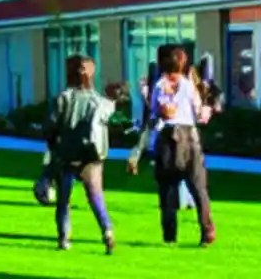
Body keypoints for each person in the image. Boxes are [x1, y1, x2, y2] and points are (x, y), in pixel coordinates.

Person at [127, 45, 215, 247]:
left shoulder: (159, 86)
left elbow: (155, 114)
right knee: (198, 188)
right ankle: (207, 231)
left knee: (167, 189)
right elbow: (200, 113)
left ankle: (170, 235)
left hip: (167, 138)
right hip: (189, 138)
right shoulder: (188, 85)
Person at [44, 54, 118, 254]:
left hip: (67, 154)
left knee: (64, 200)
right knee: (96, 198)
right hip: (92, 156)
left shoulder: (64, 98)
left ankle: (64, 238)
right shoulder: (99, 100)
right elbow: (108, 118)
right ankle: (107, 231)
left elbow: (51, 127)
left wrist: (52, 149)